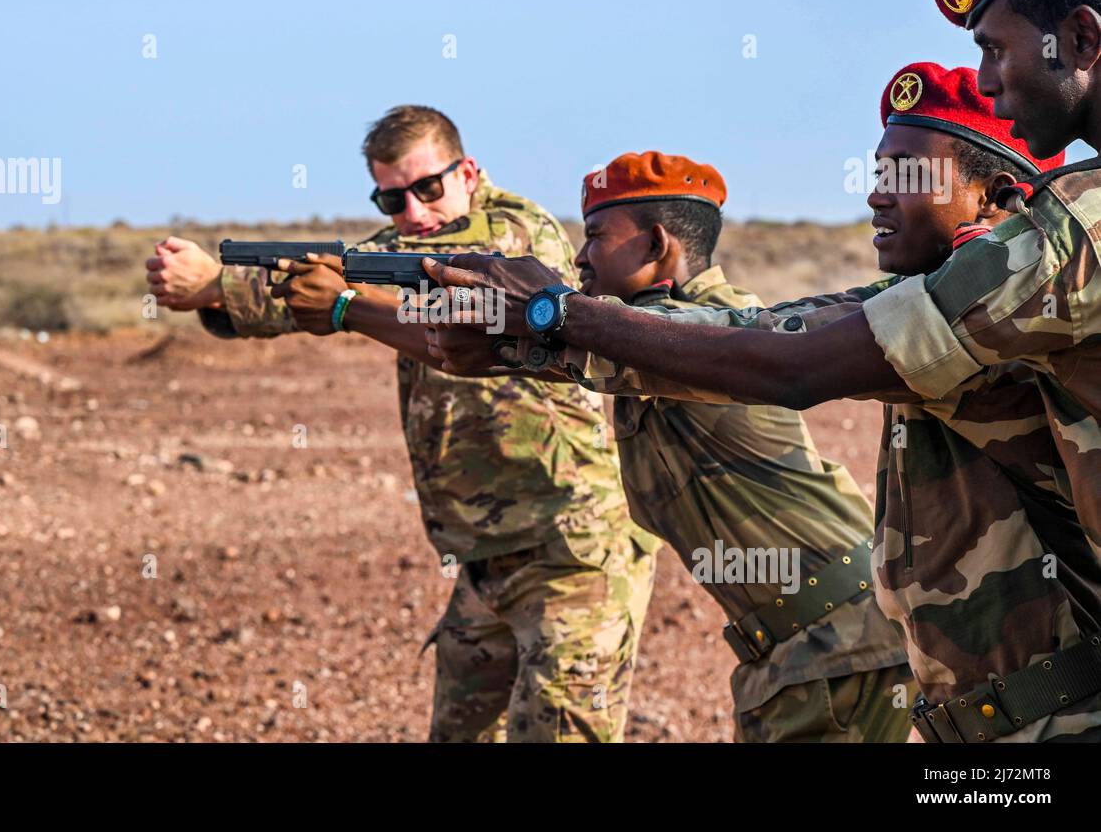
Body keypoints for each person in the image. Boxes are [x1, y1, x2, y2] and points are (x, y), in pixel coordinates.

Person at [427, 62, 1101, 741]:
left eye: (904, 175)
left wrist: (554, 316)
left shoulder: (1005, 324)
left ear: (995, 197)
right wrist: (526, 339)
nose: (876, 198)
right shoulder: (926, 306)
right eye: (877, 175)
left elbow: (781, 359)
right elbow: (765, 332)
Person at [145, 104, 659, 742]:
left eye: (427, 188)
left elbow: (429, 283)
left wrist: (228, 283)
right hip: (482, 553)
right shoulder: (401, 250)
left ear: (467, 172)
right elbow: (333, 288)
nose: (413, 213)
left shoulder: (517, 235)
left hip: (573, 545)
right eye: (392, 200)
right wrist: (217, 292)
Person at [464, 150, 916, 741]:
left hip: (838, 639)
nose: (578, 257)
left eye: (596, 236)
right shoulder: (638, 342)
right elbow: (503, 349)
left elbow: (599, 338)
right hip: (801, 643)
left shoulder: (708, 327)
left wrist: (549, 312)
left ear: (655, 245)